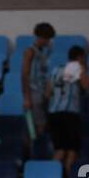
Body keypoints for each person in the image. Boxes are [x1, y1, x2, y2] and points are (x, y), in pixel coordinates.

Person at [46, 45, 89, 174]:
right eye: (84, 58)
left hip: (54, 112)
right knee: (72, 150)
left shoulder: (56, 70)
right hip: (70, 113)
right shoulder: (78, 67)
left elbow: (48, 92)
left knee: (59, 150)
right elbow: (87, 86)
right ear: (79, 57)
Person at [21, 22, 55, 151]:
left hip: (42, 93)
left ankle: (37, 150)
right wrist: (27, 97)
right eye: (47, 39)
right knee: (35, 126)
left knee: (42, 124)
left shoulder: (44, 52)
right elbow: (24, 75)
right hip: (33, 93)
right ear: (40, 37)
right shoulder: (30, 52)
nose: (48, 42)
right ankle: (32, 152)